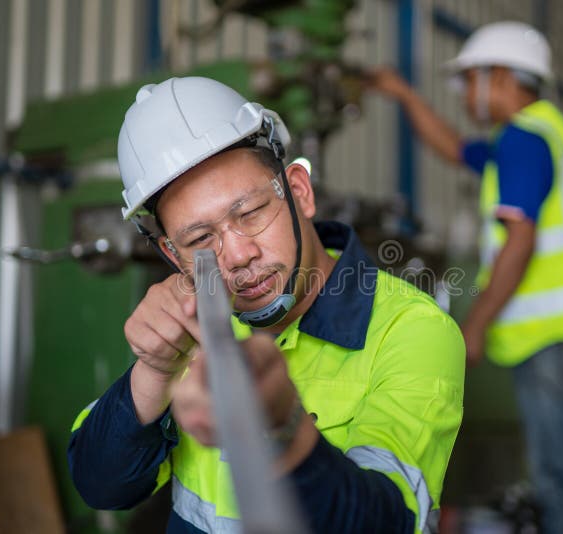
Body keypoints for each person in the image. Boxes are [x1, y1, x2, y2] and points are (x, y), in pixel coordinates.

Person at [67, 76, 465, 534]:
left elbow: (383, 522)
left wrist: (285, 432)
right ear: (172, 255)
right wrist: (153, 371)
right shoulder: (190, 333)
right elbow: (102, 488)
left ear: (299, 190)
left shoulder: (411, 331)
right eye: (200, 239)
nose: (237, 256)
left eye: (251, 213)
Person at [367, 21, 563, 534]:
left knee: (561, 485)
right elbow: (454, 148)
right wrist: (402, 95)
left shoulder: (524, 140)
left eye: (469, 80)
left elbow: (520, 241)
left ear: (500, 77)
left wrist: (476, 324)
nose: (464, 94)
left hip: (557, 340)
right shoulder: (541, 134)